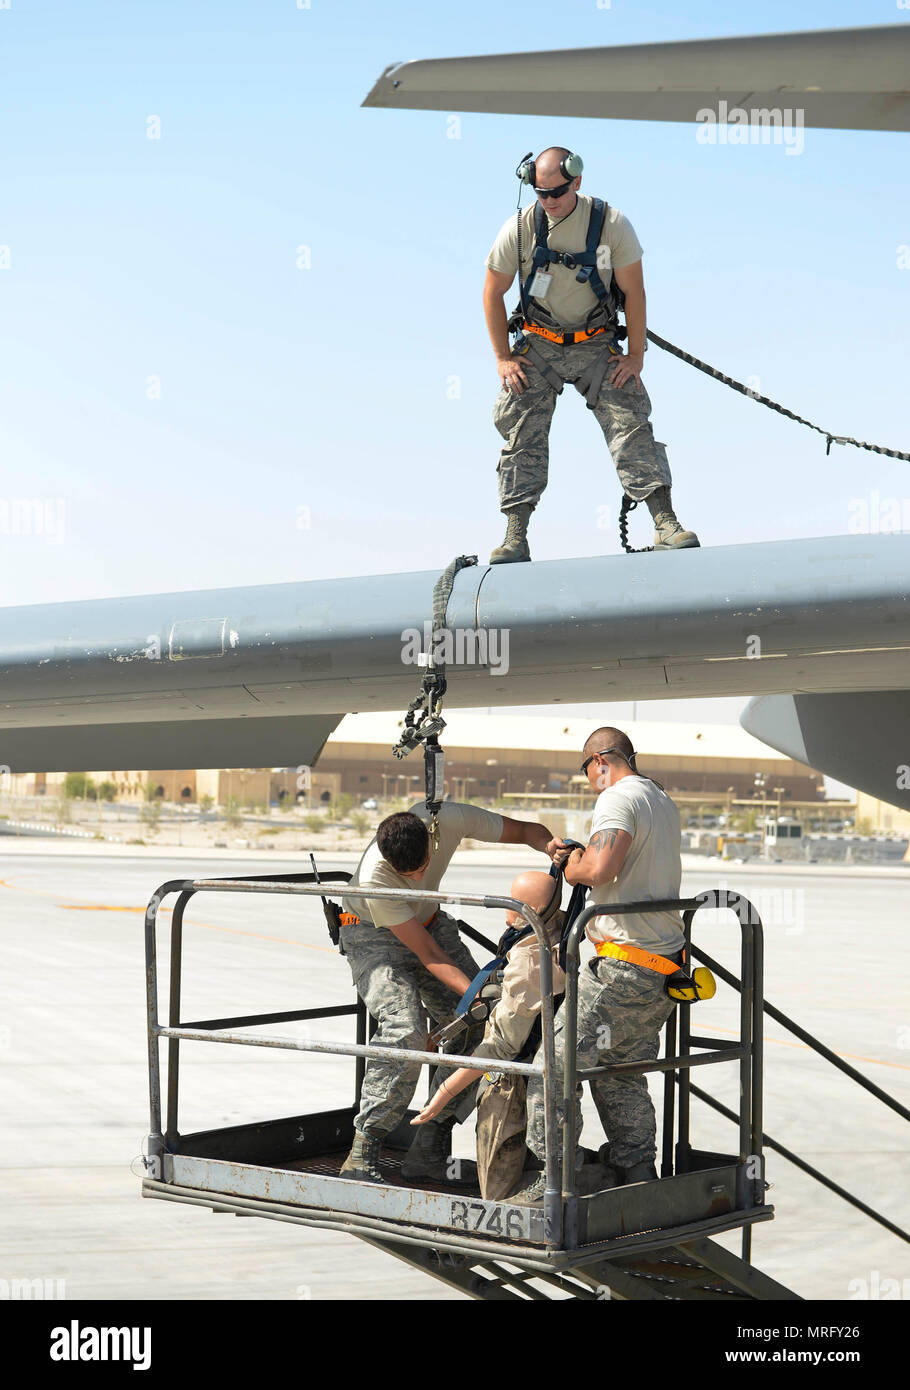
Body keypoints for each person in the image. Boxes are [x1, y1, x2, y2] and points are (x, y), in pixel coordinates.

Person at [483, 146, 699, 564]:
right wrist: (503, 358)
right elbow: (493, 292)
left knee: (631, 423)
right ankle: (515, 535)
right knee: (519, 432)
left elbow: (634, 292)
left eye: (557, 193)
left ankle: (664, 522)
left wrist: (635, 357)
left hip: (595, 344)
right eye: (540, 193)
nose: (548, 201)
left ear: (576, 183)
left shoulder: (611, 225)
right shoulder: (520, 230)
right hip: (539, 343)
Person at [338, 801, 554, 1186]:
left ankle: (429, 1144)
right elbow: (429, 955)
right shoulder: (377, 878)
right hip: (372, 932)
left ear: (432, 840)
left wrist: (550, 845)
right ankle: (363, 1150)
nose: (419, 878)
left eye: (422, 868)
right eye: (407, 875)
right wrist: (479, 994)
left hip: (428, 920)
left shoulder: (447, 821)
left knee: (477, 1025)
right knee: (405, 1030)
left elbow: (524, 830)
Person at [514, 726, 685, 1204]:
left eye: (587, 769)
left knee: (555, 1065)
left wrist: (572, 865)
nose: (590, 779)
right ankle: (638, 1173)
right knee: (619, 1068)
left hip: (623, 968)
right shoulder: (660, 798)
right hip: (661, 965)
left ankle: (554, 1182)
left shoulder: (616, 798)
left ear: (600, 761)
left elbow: (600, 869)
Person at [409, 869, 565, 1200]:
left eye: (514, 900)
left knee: (495, 1195)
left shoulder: (528, 962)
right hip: (532, 1063)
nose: (506, 906)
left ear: (532, 911)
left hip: (509, 1078)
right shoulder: (553, 927)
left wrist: (444, 1094)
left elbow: (499, 1049)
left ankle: (588, 1180)